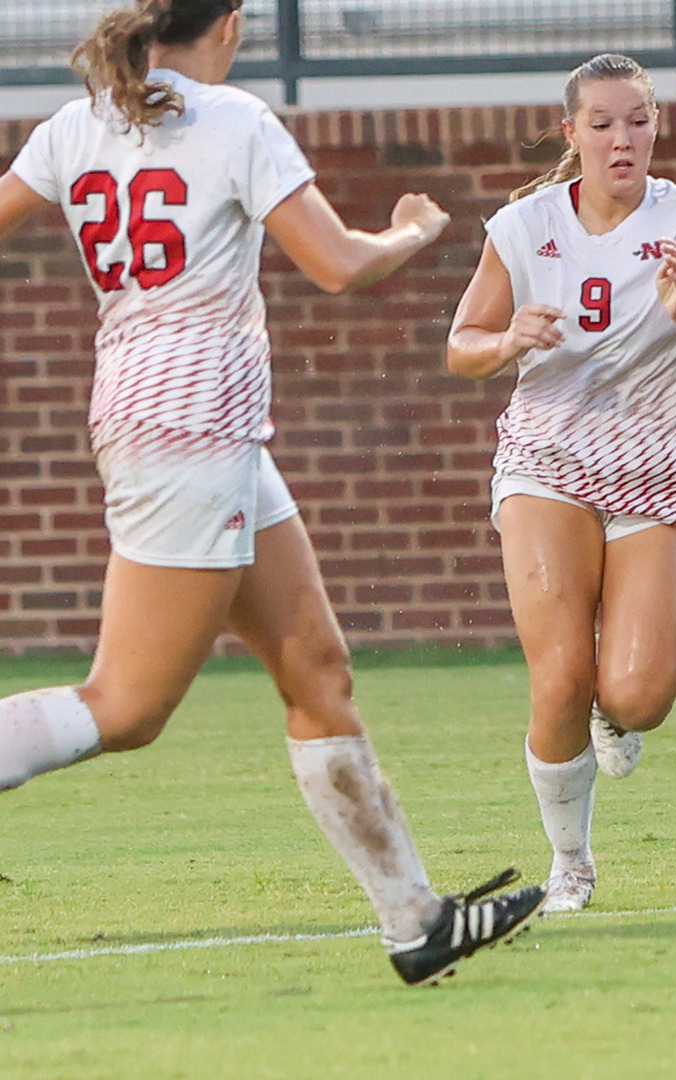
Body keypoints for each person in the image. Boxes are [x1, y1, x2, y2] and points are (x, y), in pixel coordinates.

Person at [0, 0, 543, 984]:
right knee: (127, 706)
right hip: (194, 432)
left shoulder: (78, 124)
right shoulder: (236, 120)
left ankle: (416, 922)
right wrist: (412, 230)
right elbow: (340, 266)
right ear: (231, 23)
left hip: (186, 428)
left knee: (317, 669)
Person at [447, 54, 676, 913]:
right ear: (571, 132)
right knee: (559, 676)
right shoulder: (524, 226)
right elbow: (462, 345)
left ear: (657, 128)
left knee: (637, 696)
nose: (623, 140)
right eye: (604, 123)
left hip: (656, 469)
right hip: (547, 461)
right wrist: (508, 339)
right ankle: (569, 863)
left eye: (638, 122)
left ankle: (613, 712)